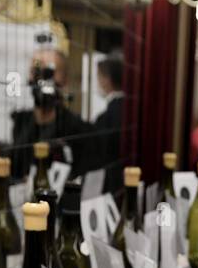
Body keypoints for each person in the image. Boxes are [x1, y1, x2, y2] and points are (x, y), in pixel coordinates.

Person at [10, 44, 99, 183]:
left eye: (49, 72)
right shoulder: (20, 122)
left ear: (64, 80)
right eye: (35, 72)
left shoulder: (79, 130)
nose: (41, 80)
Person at [92, 54, 125, 189]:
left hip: (112, 182)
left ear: (106, 79)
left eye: (99, 77)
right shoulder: (130, 109)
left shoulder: (106, 117)